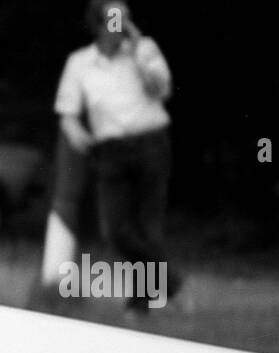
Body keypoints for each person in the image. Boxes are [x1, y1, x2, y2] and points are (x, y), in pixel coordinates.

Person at [54, 0, 182, 310]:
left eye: (126, 18)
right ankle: (168, 280)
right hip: (110, 151)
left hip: (151, 145)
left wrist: (139, 52)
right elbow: (68, 112)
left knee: (147, 225)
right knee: (115, 229)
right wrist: (79, 136)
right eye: (115, 19)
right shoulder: (80, 63)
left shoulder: (145, 49)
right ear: (98, 25)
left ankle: (142, 301)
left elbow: (161, 89)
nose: (123, 24)